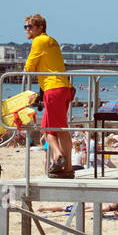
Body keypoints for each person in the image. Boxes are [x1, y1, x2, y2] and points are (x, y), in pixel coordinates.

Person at [23, 13, 74, 179]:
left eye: (30, 26)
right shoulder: (52, 41)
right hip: (64, 87)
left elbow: (29, 67)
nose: (27, 30)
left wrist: (26, 71)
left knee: (49, 129)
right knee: (60, 129)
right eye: (26, 27)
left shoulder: (39, 41)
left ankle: (59, 157)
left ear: (40, 28)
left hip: (52, 89)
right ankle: (67, 168)